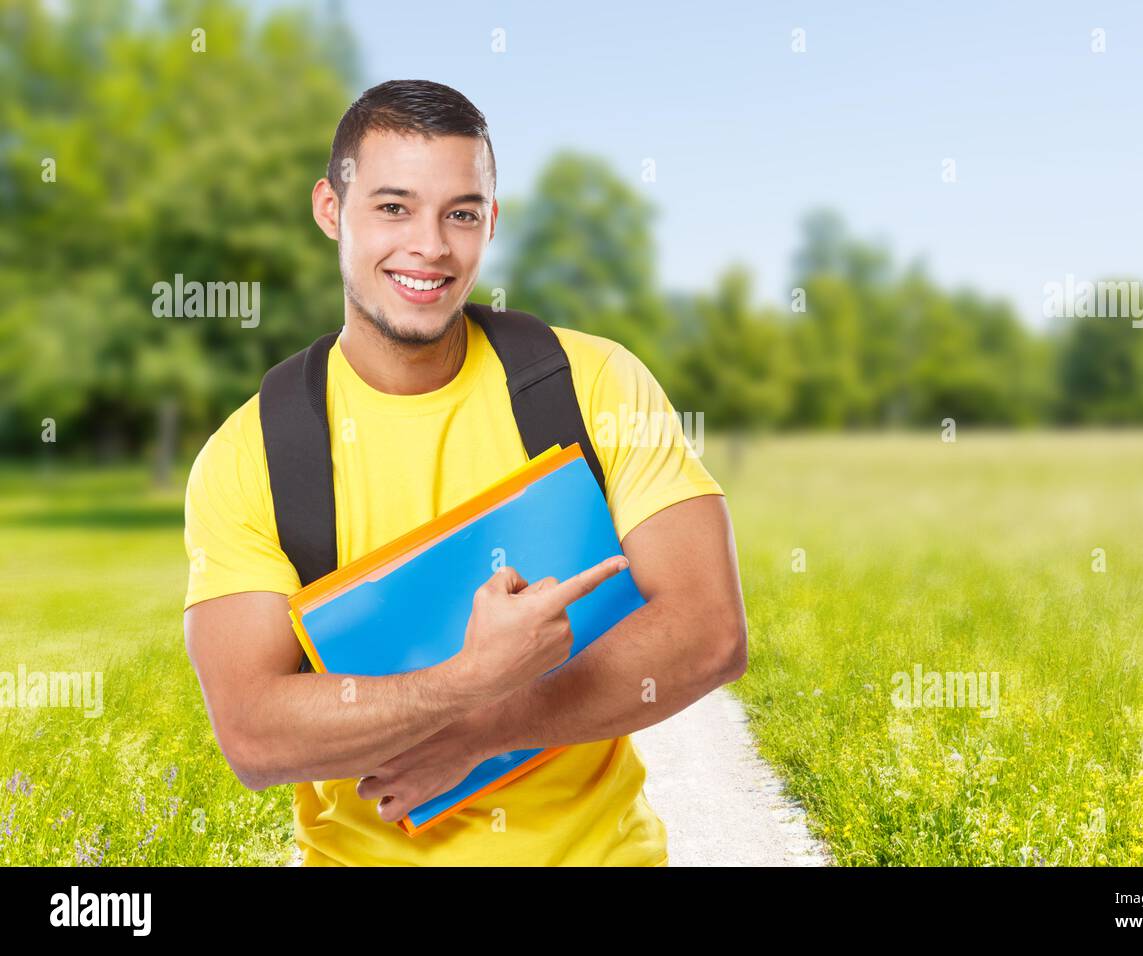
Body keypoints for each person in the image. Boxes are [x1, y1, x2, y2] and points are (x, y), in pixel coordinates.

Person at [181, 79, 747, 866]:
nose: (431, 247)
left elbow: (710, 632)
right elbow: (251, 733)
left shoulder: (592, 383)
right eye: (392, 207)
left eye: (461, 213)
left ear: (491, 221)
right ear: (330, 210)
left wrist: (491, 725)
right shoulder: (254, 455)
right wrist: (464, 681)